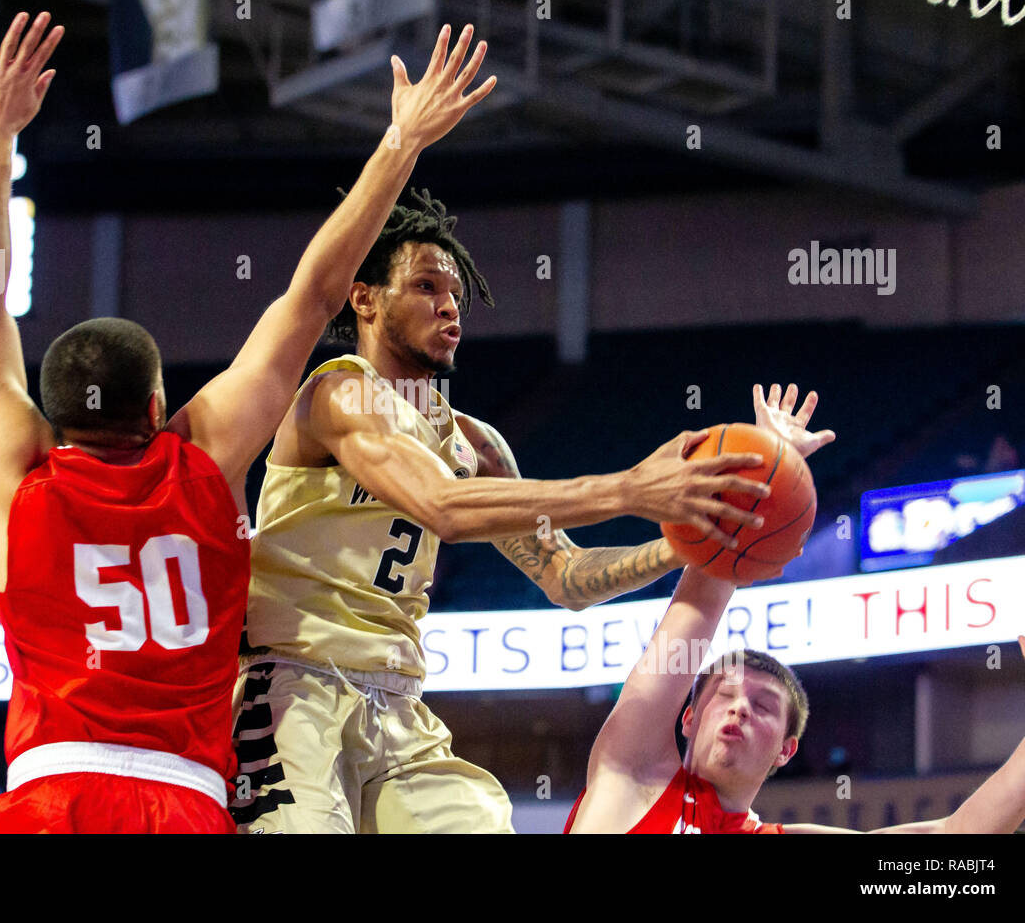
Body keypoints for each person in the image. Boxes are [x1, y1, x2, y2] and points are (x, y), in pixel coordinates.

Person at [0, 12, 497, 831]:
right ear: (155, 409)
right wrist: (400, 142)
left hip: (52, 792)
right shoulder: (203, 458)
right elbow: (315, 295)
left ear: (50, 416)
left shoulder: (19, 476)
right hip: (183, 798)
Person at [230, 206, 791, 831]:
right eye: (426, 287)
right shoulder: (340, 393)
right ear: (363, 299)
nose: (450, 308)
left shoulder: (477, 445)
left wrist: (697, 539)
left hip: (395, 704)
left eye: (456, 295)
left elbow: (568, 577)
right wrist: (630, 488)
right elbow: (441, 506)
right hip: (293, 689)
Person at [567, 385, 1025, 833]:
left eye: (763, 707)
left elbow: (959, 833)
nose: (739, 710)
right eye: (725, 695)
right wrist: (765, 469)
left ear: (785, 750)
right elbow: (698, 603)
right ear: (688, 718)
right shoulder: (631, 769)